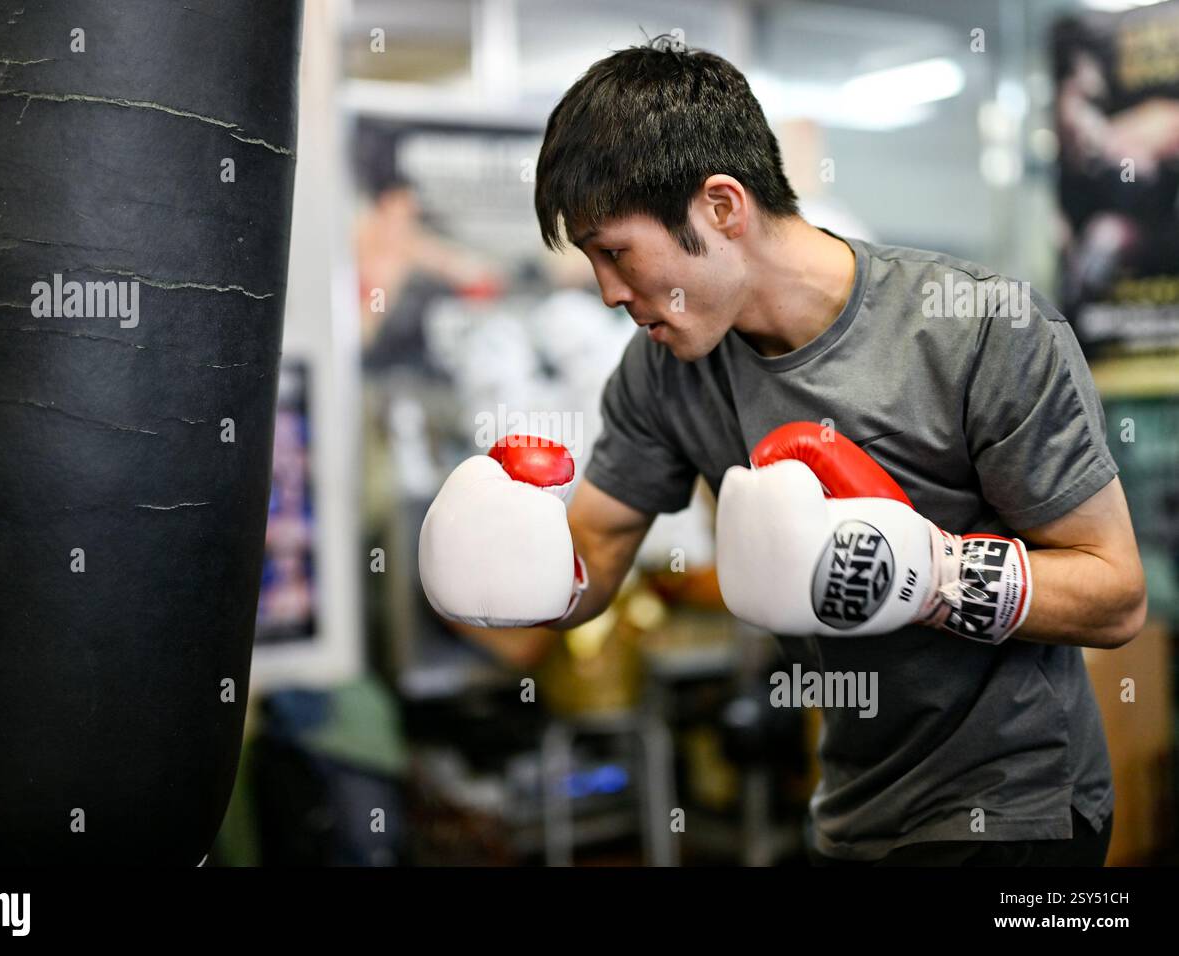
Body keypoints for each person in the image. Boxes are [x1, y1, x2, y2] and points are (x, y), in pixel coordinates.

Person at [417, 37, 1148, 866]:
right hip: (851, 802)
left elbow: (1116, 595)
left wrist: (928, 574)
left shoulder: (978, 332)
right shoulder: (663, 374)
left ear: (722, 207)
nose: (609, 292)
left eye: (615, 251)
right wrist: (525, 569)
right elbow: (594, 552)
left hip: (1016, 806)